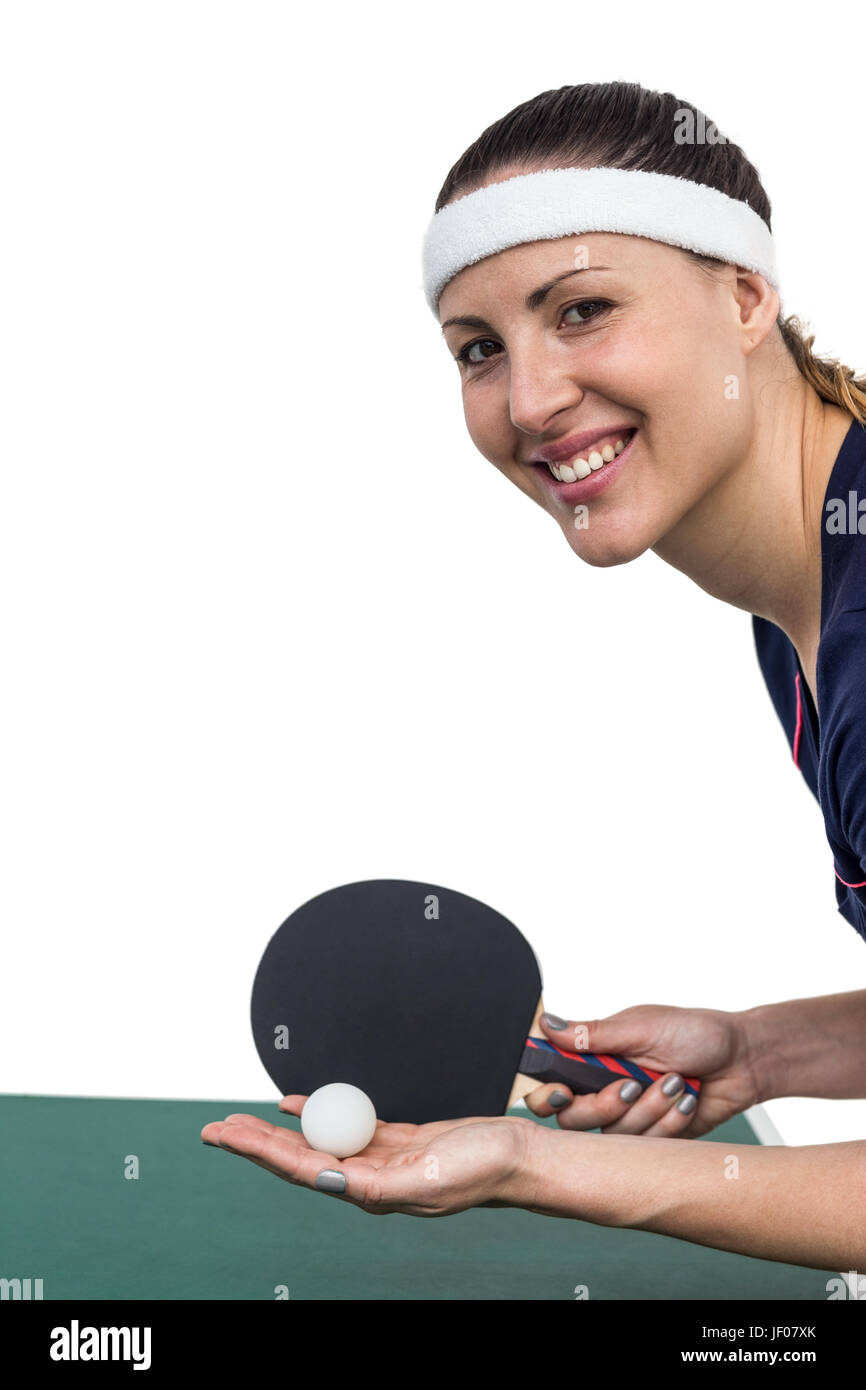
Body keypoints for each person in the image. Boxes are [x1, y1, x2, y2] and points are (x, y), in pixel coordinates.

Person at [202, 82, 866, 1271]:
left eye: (583, 310)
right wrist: (767, 1053)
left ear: (744, 296)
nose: (528, 400)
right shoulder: (802, 607)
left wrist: (531, 1161)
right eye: (478, 350)